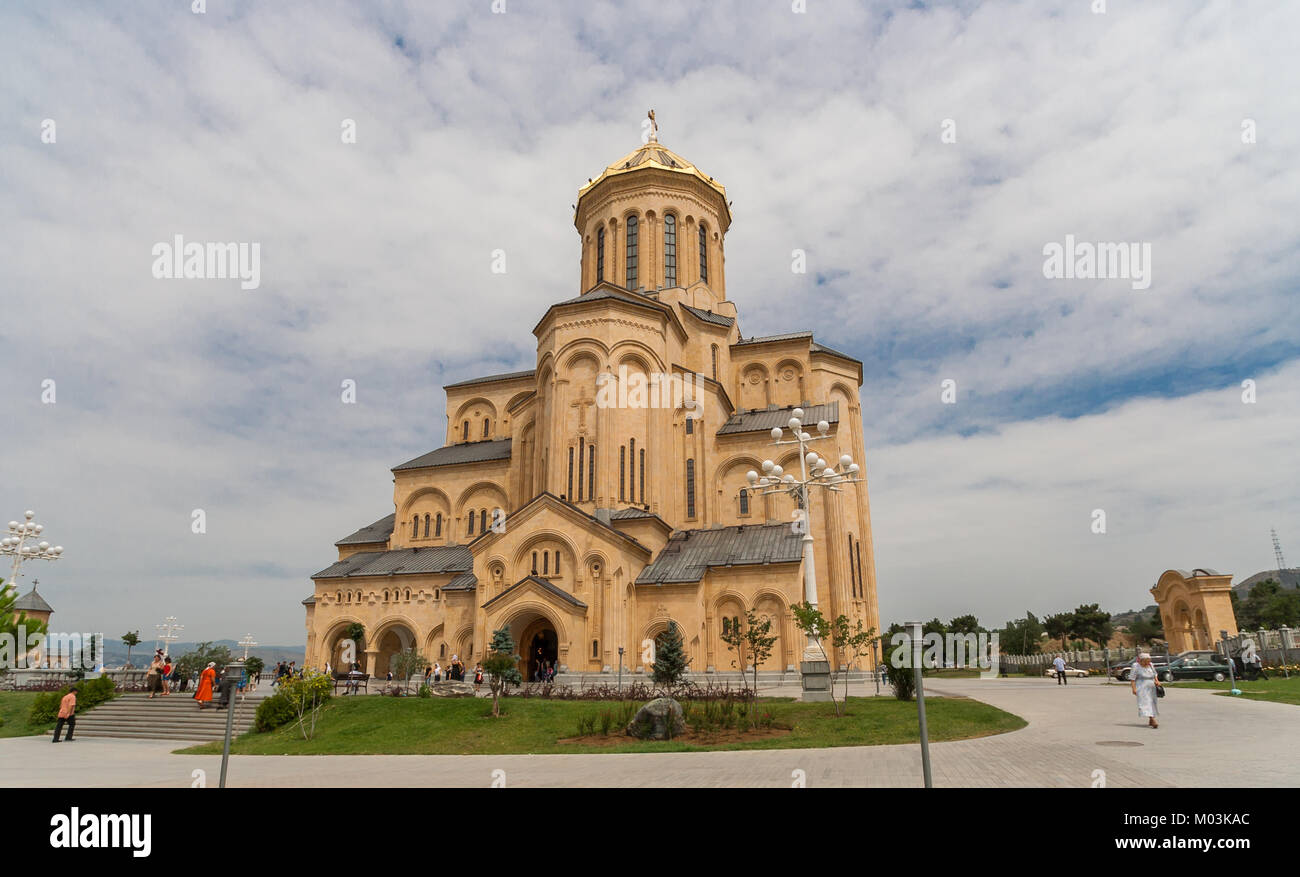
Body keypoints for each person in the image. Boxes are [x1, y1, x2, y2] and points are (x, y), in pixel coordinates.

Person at [1131, 652, 1162, 728]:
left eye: (1149, 661)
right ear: (1141, 660)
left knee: (1152, 702)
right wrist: (1134, 689)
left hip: (1151, 686)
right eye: (1146, 661)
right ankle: (1153, 719)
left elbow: (1155, 674)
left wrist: (1157, 681)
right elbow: (1132, 679)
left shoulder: (1151, 665)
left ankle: (1151, 719)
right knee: (1146, 702)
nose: (1148, 663)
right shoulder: (1136, 666)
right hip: (1142, 686)